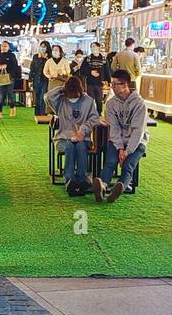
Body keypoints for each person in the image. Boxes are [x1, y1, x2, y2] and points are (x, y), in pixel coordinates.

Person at [95, 69, 147, 204]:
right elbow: (114, 128)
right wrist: (119, 148)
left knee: (128, 165)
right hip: (118, 140)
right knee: (110, 162)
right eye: (111, 83)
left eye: (114, 84)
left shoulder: (139, 104)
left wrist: (127, 151)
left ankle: (119, 187)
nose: (111, 86)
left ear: (124, 85)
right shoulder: (111, 103)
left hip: (137, 141)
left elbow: (138, 130)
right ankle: (103, 185)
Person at [46, 76, 100, 196]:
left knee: (80, 146)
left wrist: (83, 130)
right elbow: (48, 97)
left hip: (83, 138)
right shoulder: (60, 100)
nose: (72, 96)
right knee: (70, 145)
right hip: (63, 138)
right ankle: (70, 179)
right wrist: (62, 88)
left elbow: (94, 118)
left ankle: (81, 180)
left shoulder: (89, 101)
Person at [81, 42, 108, 113]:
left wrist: (108, 80)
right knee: (90, 100)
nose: (93, 48)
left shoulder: (104, 59)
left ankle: (99, 114)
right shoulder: (87, 59)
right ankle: (91, 114)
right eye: (92, 47)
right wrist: (90, 72)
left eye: (95, 47)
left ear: (99, 48)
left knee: (99, 100)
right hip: (90, 83)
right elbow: (82, 70)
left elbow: (107, 70)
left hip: (100, 83)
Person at [30, 40, 52, 118]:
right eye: (41, 46)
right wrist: (30, 80)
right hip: (36, 79)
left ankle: (43, 115)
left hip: (45, 80)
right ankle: (37, 114)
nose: (42, 48)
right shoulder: (36, 56)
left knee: (43, 97)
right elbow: (32, 68)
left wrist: (44, 59)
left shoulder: (50, 57)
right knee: (37, 97)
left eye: (44, 47)